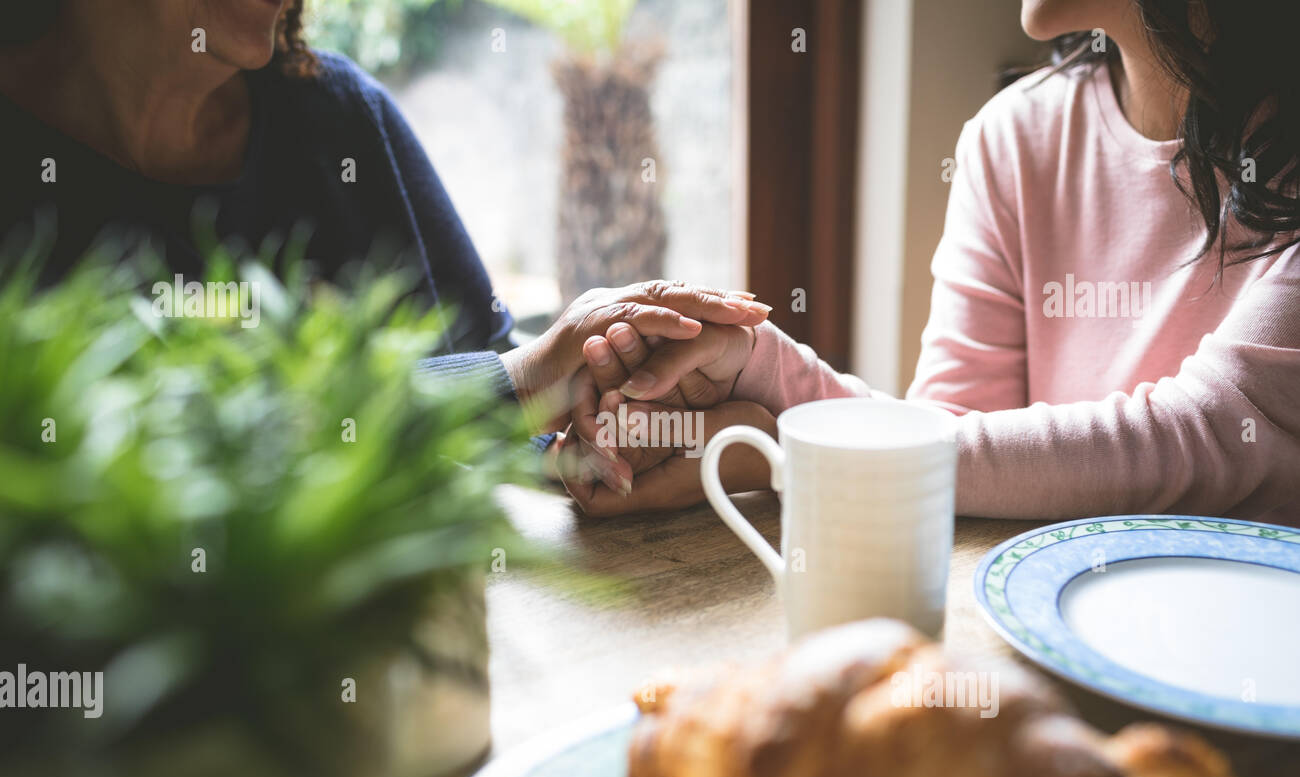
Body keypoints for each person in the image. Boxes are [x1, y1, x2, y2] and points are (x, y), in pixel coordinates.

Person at [560, 0, 1300, 526]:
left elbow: (1208, 438)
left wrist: (787, 453)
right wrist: (751, 369)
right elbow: (951, 434)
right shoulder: (1015, 138)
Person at [0, 0, 771, 438]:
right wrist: (525, 376)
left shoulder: (335, 118)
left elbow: (494, 388)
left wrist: (632, 418)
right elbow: (175, 455)